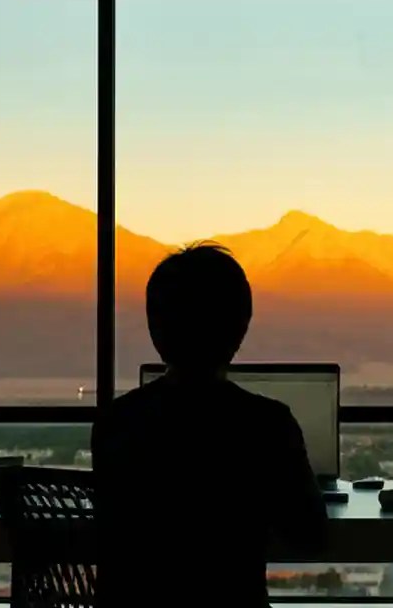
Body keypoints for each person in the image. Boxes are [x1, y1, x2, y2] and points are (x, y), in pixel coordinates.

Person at [92, 242, 328, 607]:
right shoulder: (266, 425)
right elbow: (309, 534)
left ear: (156, 330)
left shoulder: (116, 421)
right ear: (240, 328)